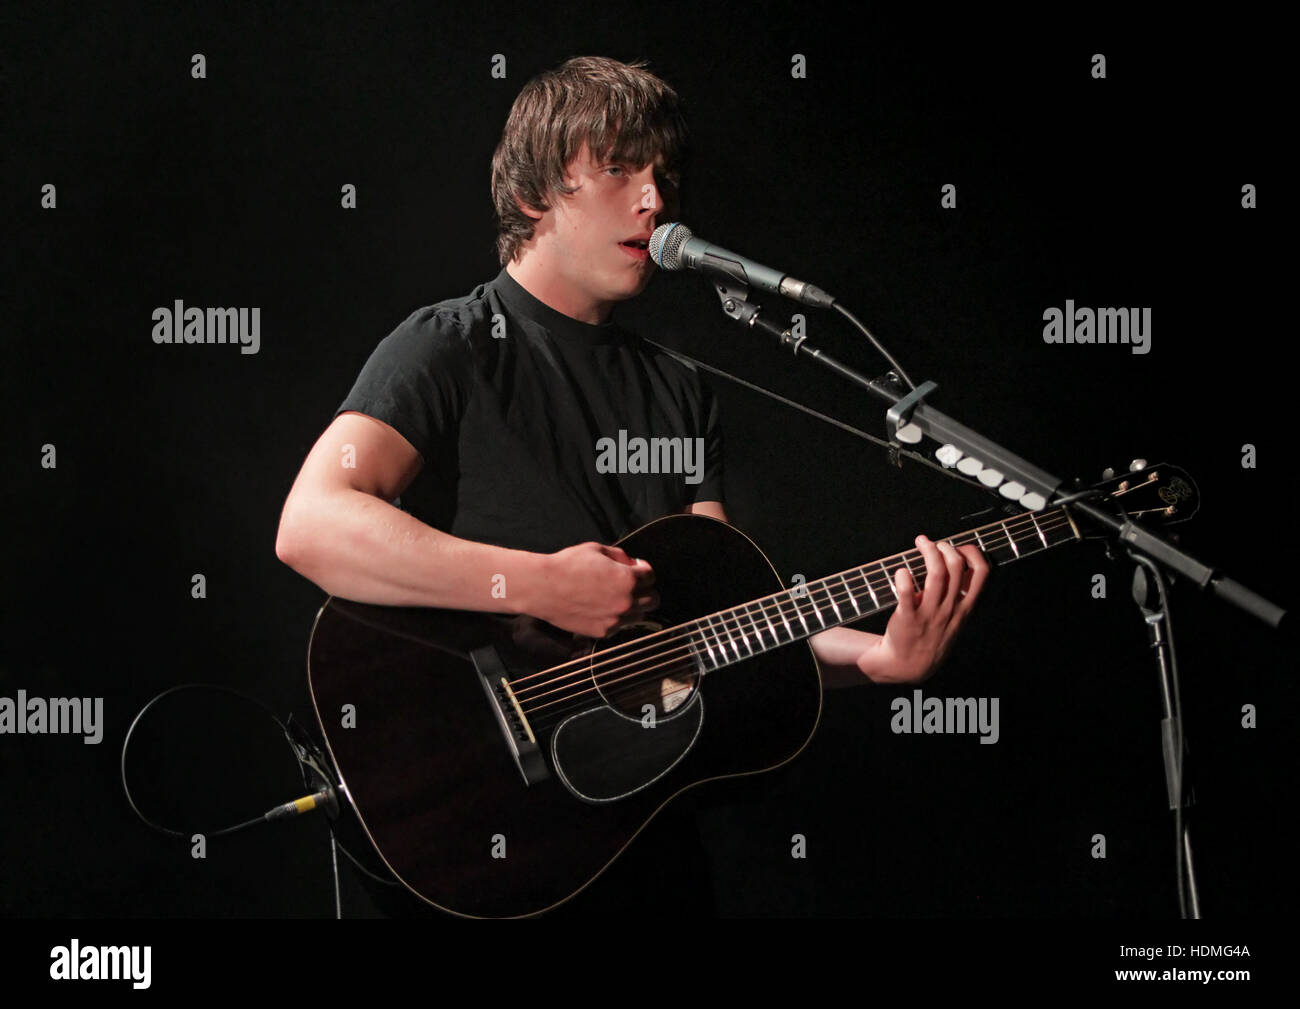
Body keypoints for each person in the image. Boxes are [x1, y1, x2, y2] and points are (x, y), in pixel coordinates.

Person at [275, 56, 989, 916]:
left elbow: (717, 626)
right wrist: (541, 585)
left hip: (639, 851)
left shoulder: (680, 390)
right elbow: (311, 524)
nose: (655, 202)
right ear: (538, 192)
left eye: (665, 177)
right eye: (620, 169)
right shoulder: (449, 347)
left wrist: (875, 658)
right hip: (491, 822)